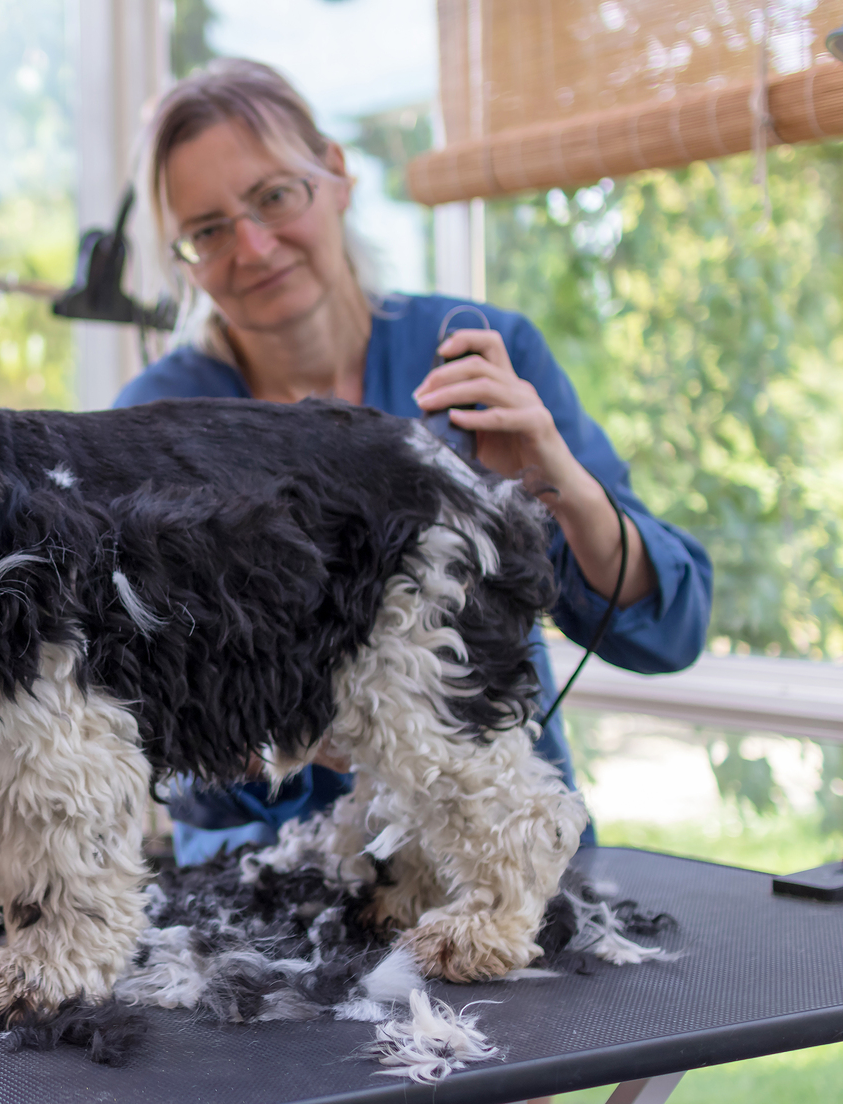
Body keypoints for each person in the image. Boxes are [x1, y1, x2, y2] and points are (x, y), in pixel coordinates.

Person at [115, 59, 714, 866]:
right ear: (183, 258)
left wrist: (558, 480)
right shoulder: (150, 427)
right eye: (209, 231)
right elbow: (130, 724)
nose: (253, 247)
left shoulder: (478, 357)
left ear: (336, 174)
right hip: (265, 891)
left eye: (274, 197)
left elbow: (668, 632)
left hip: (493, 865)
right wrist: (283, 728)